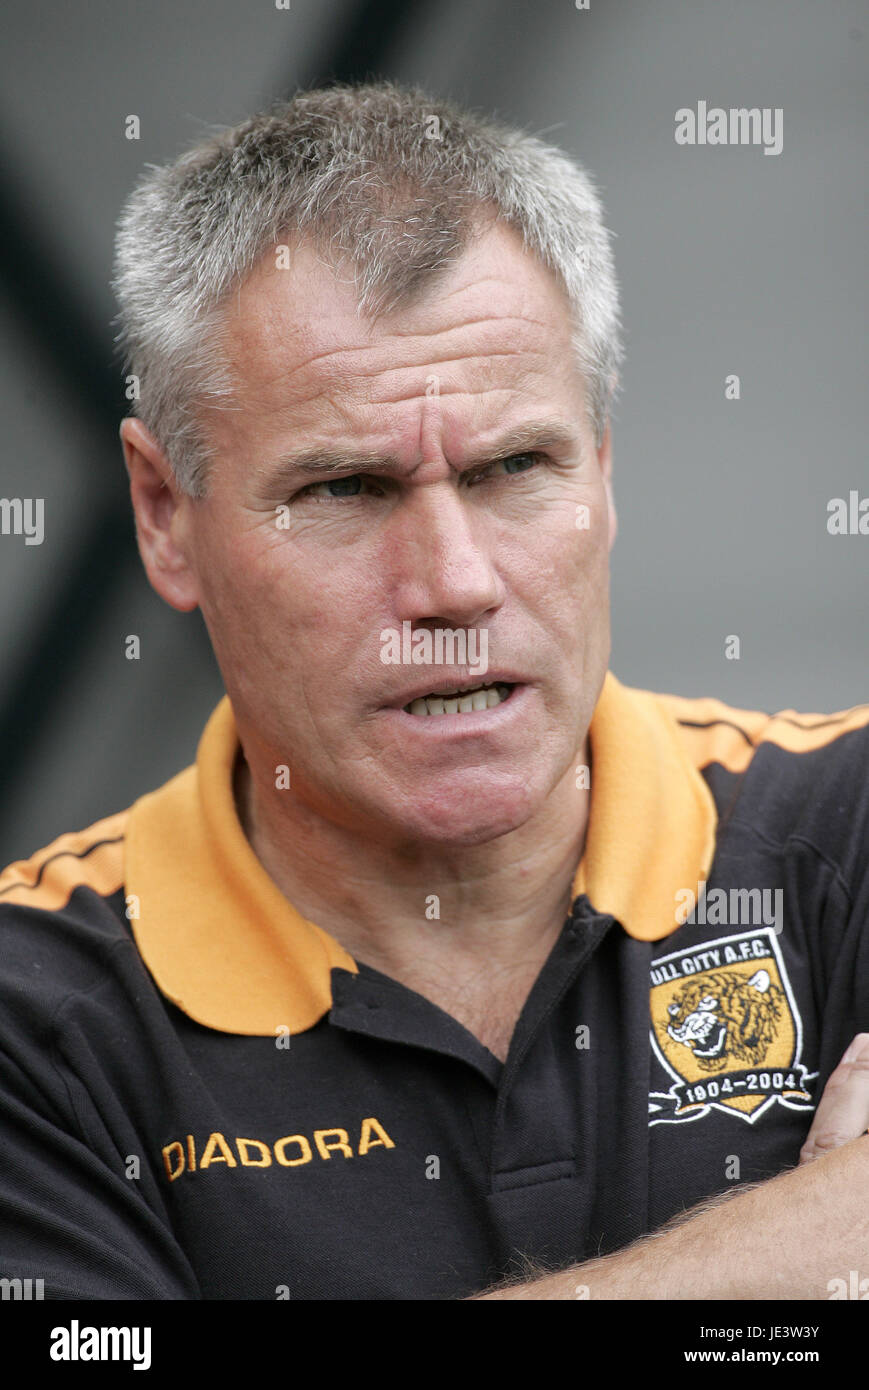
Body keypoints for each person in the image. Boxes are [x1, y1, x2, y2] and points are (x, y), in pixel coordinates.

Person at [1, 81, 867, 1302]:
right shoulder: (33, 1009)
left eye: (513, 465)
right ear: (163, 516)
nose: (455, 584)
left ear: (602, 469)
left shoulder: (846, 830)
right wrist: (782, 1256)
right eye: (345, 489)